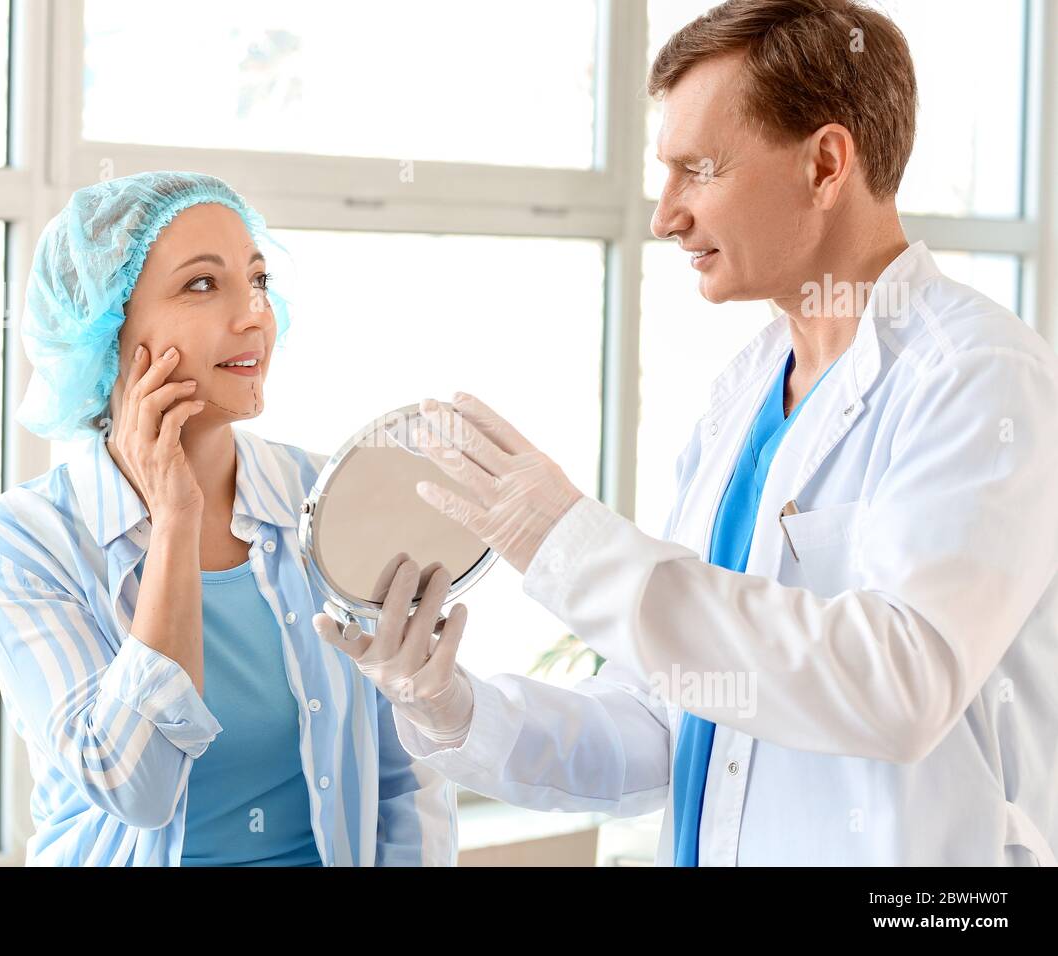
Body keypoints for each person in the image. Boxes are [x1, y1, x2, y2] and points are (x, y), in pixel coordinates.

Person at [315, 0, 1058, 866]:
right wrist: (450, 706)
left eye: (696, 171)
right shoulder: (740, 397)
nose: (666, 215)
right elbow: (664, 726)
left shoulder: (976, 373)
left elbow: (900, 685)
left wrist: (570, 542)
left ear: (825, 165)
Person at [0, 171, 456, 866]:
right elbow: (137, 787)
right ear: (107, 327)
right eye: (202, 284)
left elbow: (404, 766)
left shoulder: (329, 492)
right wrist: (173, 520)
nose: (254, 312)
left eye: (256, 278)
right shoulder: (22, 542)